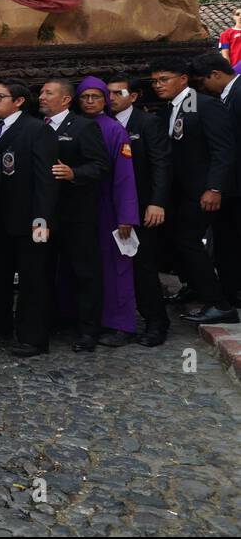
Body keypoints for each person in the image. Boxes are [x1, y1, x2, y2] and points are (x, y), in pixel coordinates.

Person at [150, 56, 236, 325]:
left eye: (164, 79)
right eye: (154, 82)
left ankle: (219, 303)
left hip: (203, 190)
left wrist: (214, 187)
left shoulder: (206, 106)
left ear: (183, 79)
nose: (158, 86)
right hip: (180, 191)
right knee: (176, 239)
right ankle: (194, 286)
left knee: (189, 240)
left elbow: (223, 150)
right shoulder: (168, 110)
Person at [0, 80, 58, 357]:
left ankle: (33, 337)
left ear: (19, 101)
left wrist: (42, 219)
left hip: (29, 220)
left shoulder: (37, 130)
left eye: (0, 97)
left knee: (32, 280)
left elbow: (45, 180)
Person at [37, 79, 111, 351]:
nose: (42, 97)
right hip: (42, 216)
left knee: (84, 272)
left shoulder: (83, 127)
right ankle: (49, 321)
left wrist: (74, 173)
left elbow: (101, 166)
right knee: (43, 270)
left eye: (48, 93)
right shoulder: (37, 126)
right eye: (41, 93)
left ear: (66, 100)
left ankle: (88, 330)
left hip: (76, 214)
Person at [72, 77, 140, 346]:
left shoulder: (114, 130)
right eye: (84, 97)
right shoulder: (73, 126)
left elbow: (125, 177)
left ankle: (121, 323)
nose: (90, 102)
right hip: (80, 210)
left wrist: (127, 215)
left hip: (110, 209)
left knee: (117, 267)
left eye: (96, 97)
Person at [107, 75, 173, 346]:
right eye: (107, 93)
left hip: (142, 205)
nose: (111, 98)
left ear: (133, 96)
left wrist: (157, 202)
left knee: (142, 266)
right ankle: (119, 322)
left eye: (117, 93)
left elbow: (161, 164)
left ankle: (156, 323)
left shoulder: (147, 123)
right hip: (108, 207)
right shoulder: (101, 124)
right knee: (115, 267)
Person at [190, 52, 241, 313]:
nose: (202, 88)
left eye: (202, 82)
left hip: (234, 182)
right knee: (226, 239)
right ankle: (231, 291)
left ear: (216, 75)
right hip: (231, 184)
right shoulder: (225, 95)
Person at [218, 7, 241, 72]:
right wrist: (229, 69)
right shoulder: (226, 34)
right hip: (236, 69)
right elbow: (225, 53)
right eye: (237, 14)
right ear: (234, 17)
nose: (240, 16)